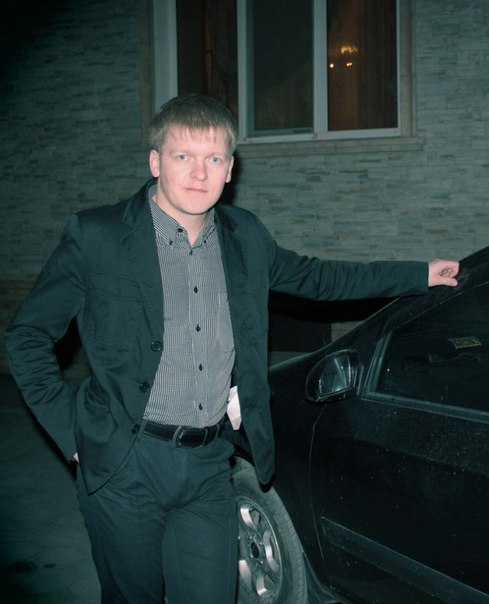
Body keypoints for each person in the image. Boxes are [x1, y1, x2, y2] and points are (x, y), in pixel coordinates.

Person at [5, 93, 459, 604]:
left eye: (214, 158)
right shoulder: (98, 236)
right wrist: (70, 432)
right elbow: (27, 335)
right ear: (155, 162)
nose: (199, 173)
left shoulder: (246, 237)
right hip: (126, 461)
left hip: (208, 463)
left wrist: (419, 274)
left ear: (229, 168)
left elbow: (320, 277)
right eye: (183, 156)